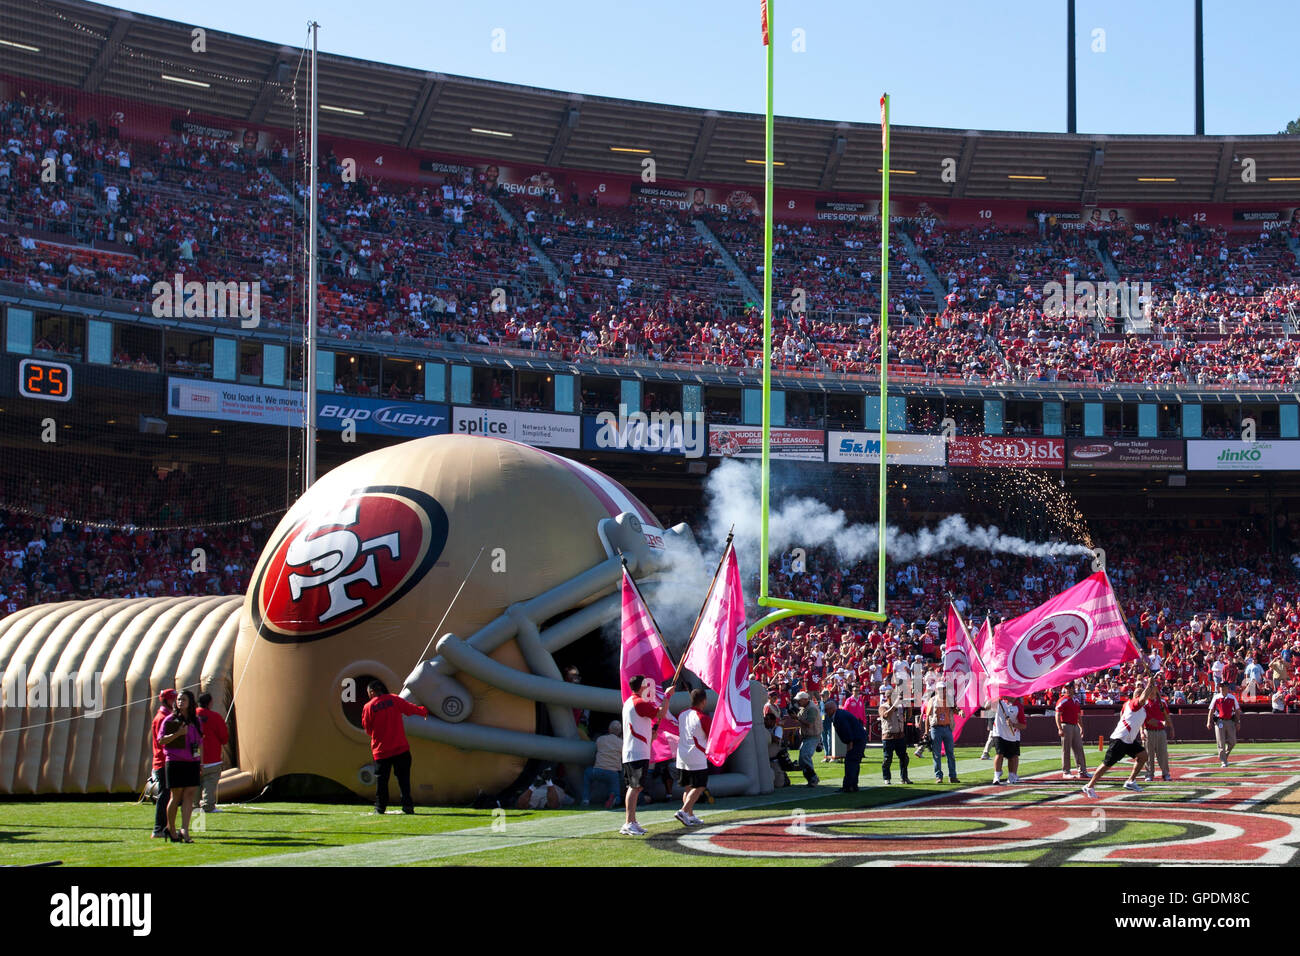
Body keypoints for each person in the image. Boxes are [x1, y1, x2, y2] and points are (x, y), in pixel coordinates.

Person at [360, 679, 430, 814]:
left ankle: (380, 808)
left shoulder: (368, 707)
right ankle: (408, 806)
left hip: (381, 751)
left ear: (372, 692)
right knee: (404, 781)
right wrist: (424, 711)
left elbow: (368, 729)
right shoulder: (394, 699)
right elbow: (410, 709)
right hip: (401, 749)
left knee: (382, 782)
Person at [1082, 678, 1158, 797]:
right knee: (1107, 764)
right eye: (1145, 695)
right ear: (1138, 695)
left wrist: (1161, 723)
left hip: (1129, 740)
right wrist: (1149, 685)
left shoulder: (1141, 709)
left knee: (1143, 756)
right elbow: (1142, 700)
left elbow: (1145, 719)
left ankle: (1130, 781)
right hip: (1120, 738)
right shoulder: (1133, 703)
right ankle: (1089, 786)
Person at [621, 674, 673, 836]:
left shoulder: (630, 702)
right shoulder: (639, 702)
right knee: (635, 787)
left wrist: (650, 735)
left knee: (636, 787)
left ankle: (632, 821)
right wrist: (667, 696)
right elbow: (660, 714)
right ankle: (629, 822)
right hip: (636, 752)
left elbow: (637, 725)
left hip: (634, 750)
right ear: (642, 686)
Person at [158, 689, 203, 843]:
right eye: (178, 700)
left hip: (192, 762)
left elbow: (198, 744)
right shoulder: (170, 720)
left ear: (190, 702)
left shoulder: (195, 721)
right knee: (175, 796)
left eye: (183, 699)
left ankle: (185, 829)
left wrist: (199, 762)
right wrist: (178, 734)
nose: (180, 702)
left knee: (189, 794)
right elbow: (161, 740)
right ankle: (170, 828)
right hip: (175, 761)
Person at [674, 688, 711, 826]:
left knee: (688, 787)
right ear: (704, 701)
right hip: (697, 755)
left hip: (682, 755)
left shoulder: (682, 714)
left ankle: (689, 815)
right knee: (700, 786)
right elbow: (711, 737)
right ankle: (683, 811)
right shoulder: (703, 718)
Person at [824, 697, 868, 792]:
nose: (826, 712)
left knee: (850, 762)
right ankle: (853, 785)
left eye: (826, 710)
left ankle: (848, 786)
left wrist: (849, 743)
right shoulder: (839, 714)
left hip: (856, 739)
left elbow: (847, 730)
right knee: (854, 762)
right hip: (859, 738)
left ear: (832, 709)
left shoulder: (839, 716)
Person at [195, 692, 228, 813]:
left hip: (194, 758)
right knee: (210, 783)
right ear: (210, 703)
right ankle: (208, 806)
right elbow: (224, 738)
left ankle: (194, 805)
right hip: (212, 759)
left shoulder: (191, 716)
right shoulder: (215, 717)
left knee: (195, 784)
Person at [149, 689, 176, 839]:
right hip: (163, 761)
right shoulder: (162, 718)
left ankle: (165, 827)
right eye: (173, 699)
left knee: (168, 795)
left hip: (165, 760)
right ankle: (158, 829)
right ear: (166, 701)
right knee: (164, 795)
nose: (176, 702)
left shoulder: (167, 716)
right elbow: (163, 742)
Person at [581, 720, 624, 808]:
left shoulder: (600, 739)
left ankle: (585, 799)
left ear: (609, 729)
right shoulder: (622, 743)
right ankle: (614, 798)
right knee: (616, 791)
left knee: (587, 773)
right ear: (620, 731)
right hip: (612, 773)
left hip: (597, 771)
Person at [878, 684, 911, 784]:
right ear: (888, 697)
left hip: (900, 735)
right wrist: (895, 705)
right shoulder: (883, 707)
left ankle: (904, 777)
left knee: (904, 758)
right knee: (888, 759)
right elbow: (886, 715)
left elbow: (908, 717)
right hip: (888, 736)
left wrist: (908, 706)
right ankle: (886, 777)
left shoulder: (900, 707)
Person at [1054, 683, 1088, 780]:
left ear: (1073, 688)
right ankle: (1066, 771)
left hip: (1074, 725)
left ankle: (1082, 771)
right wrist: (1059, 728)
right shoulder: (1062, 700)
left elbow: (1078, 716)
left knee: (1079, 749)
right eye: (1066, 688)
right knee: (1066, 749)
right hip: (1066, 725)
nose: (1068, 690)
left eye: (1069, 688)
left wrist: (1081, 727)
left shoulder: (1076, 700)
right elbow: (1057, 715)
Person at [1141, 685, 1174, 782]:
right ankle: (1149, 774)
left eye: (1153, 690)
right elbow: (1141, 719)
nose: (1152, 692)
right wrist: (1142, 732)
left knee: (1163, 753)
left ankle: (1166, 773)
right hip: (1149, 730)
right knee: (1148, 755)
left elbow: (1167, 716)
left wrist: (1171, 728)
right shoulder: (1145, 703)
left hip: (1160, 731)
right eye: (1150, 690)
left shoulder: (1162, 702)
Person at [1207, 679, 1242, 768]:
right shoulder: (1216, 697)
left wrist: (1238, 722)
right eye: (1221, 687)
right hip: (1219, 721)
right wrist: (1208, 721)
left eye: (1224, 687)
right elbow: (1211, 710)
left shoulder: (1232, 697)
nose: (1222, 688)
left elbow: (1237, 710)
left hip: (1230, 721)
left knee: (1233, 741)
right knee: (1220, 742)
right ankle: (1223, 761)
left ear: (1227, 688)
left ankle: (1224, 755)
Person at [927, 687, 959, 783]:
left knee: (950, 753)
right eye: (940, 689)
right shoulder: (932, 700)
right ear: (937, 690)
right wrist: (926, 731)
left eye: (944, 689)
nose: (943, 690)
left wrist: (960, 711)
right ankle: (938, 776)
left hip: (947, 727)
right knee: (937, 754)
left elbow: (955, 709)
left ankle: (952, 776)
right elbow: (928, 715)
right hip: (936, 728)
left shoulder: (949, 700)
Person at [992, 695, 1026, 785]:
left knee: (1013, 756)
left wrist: (1013, 724)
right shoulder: (999, 702)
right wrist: (994, 699)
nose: (1013, 696)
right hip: (998, 732)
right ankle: (996, 775)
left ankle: (1012, 775)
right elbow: (987, 707)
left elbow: (1023, 725)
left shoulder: (1018, 706)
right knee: (999, 754)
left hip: (1013, 735)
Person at [794, 691, 822, 787]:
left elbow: (809, 724)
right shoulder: (805, 707)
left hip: (813, 735)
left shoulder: (811, 709)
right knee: (802, 759)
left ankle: (813, 778)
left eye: (799, 700)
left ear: (805, 699)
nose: (798, 702)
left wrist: (797, 719)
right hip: (808, 736)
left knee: (805, 756)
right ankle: (811, 778)